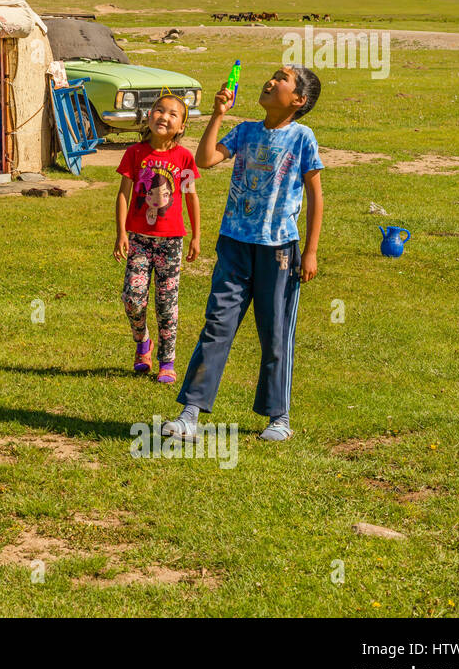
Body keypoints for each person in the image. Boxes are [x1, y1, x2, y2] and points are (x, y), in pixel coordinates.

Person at [160, 64, 324, 443]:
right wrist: (218, 115)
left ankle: (278, 417)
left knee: (275, 333)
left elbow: (315, 196)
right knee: (217, 326)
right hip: (234, 244)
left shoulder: (303, 138)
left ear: (298, 100)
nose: (270, 81)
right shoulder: (246, 130)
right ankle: (190, 414)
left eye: (281, 79)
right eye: (272, 75)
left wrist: (311, 251)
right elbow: (204, 160)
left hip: (279, 250)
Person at [113, 94, 201, 384]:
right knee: (133, 299)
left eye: (173, 114)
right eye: (159, 110)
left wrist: (196, 236)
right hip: (139, 240)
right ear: (149, 116)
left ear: (182, 125)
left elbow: (191, 196)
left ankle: (167, 361)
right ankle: (143, 342)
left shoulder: (185, 157)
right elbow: (124, 194)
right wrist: (121, 233)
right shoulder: (134, 153)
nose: (164, 117)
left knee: (167, 305)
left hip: (171, 242)